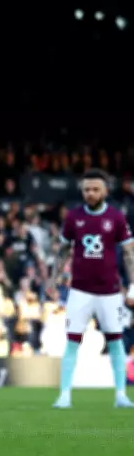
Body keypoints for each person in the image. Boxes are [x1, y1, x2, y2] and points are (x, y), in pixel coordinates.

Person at [48, 168, 134, 409]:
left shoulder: (116, 218)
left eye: (95, 189)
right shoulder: (73, 217)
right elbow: (63, 250)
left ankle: (120, 395)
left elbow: (129, 253)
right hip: (80, 290)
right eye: (87, 190)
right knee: (73, 341)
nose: (91, 193)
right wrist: (53, 279)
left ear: (105, 191)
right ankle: (64, 395)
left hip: (109, 291)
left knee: (116, 341)